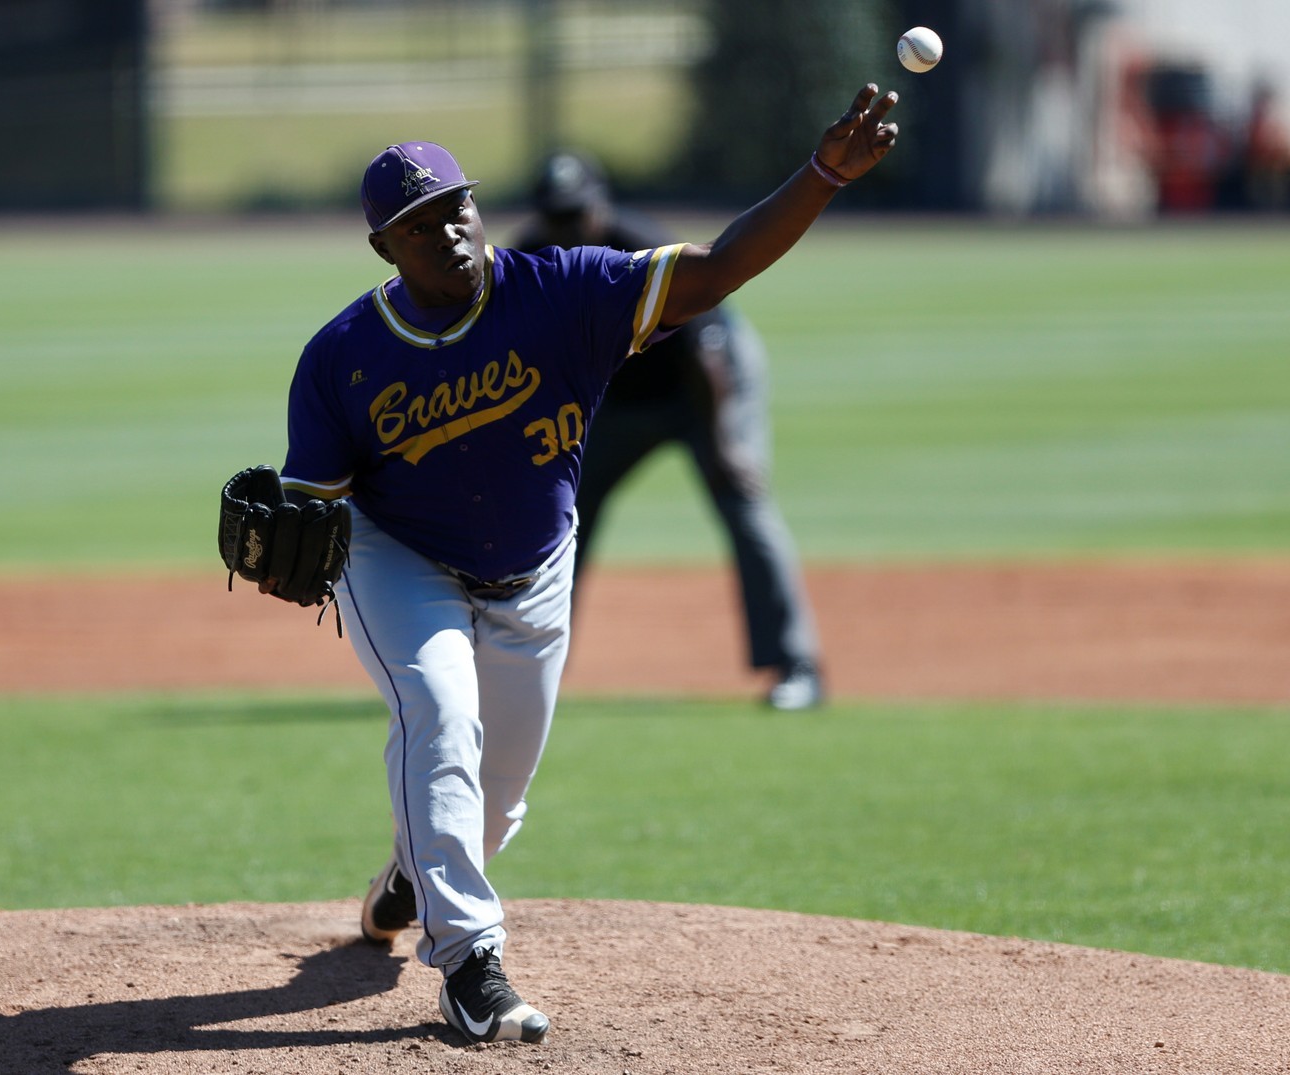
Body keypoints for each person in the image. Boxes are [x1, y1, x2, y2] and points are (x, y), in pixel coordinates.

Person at [267, 84, 898, 1045]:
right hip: (403, 559)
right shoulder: (341, 357)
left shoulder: (563, 289)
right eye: (418, 224)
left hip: (533, 566)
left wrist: (821, 176)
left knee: (497, 798)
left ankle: (412, 874)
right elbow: (313, 509)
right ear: (384, 248)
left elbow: (719, 268)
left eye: (455, 208)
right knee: (438, 712)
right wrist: (292, 537)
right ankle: (471, 965)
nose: (447, 231)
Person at [509, 150, 825, 709]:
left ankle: (796, 665)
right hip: (618, 402)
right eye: (555, 217)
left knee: (742, 499)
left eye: (576, 214)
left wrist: (726, 442)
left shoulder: (642, 247)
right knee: (559, 518)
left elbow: (706, 352)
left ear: (599, 208)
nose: (566, 228)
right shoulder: (527, 260)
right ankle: (532, 665)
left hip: (705, 386)